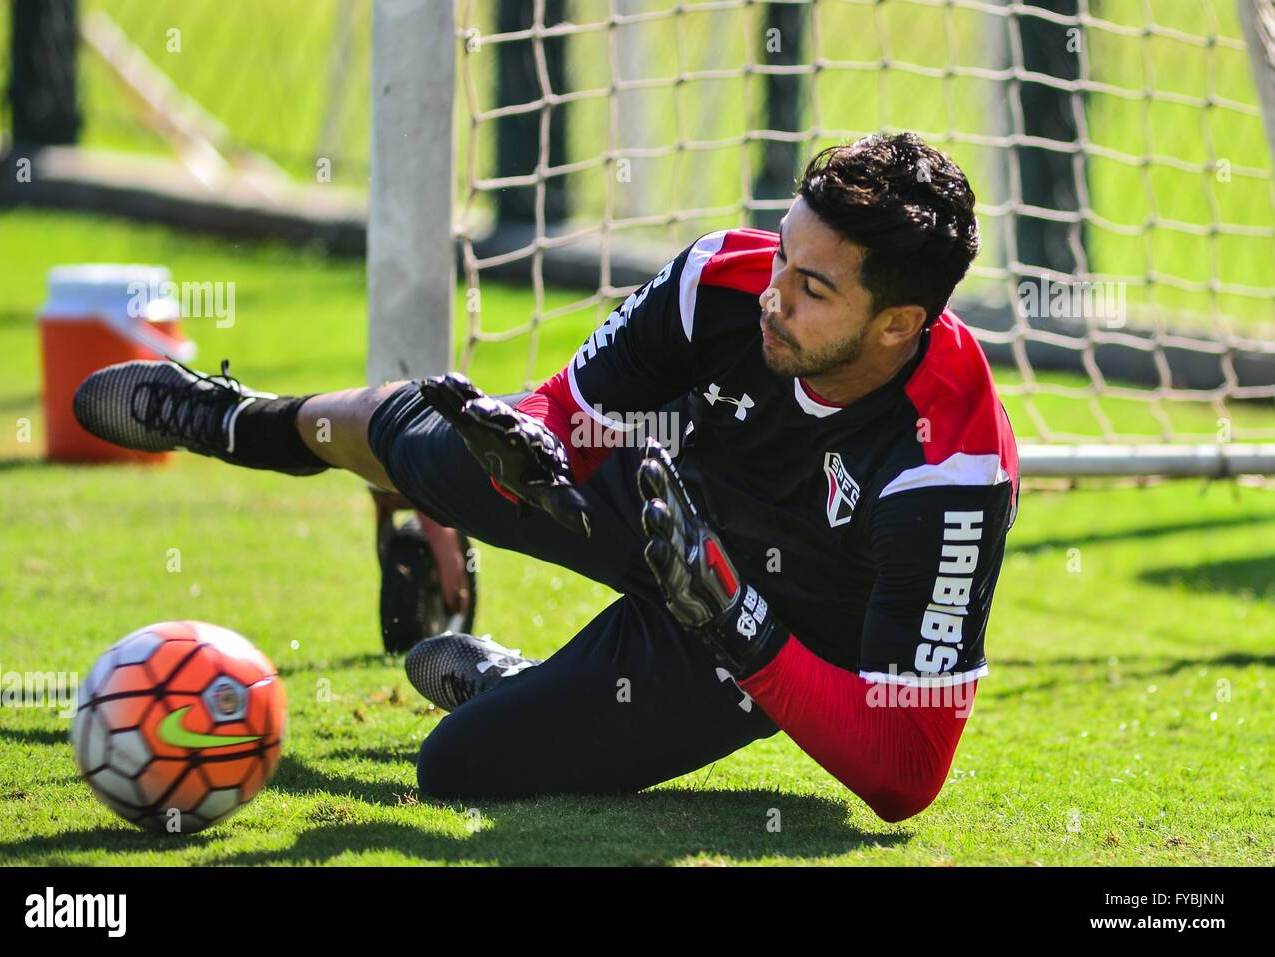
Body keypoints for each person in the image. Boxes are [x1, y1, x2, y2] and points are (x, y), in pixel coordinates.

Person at [73, 132, 1017, 822]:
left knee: (459, 768)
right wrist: (523, 447)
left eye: (814, 289)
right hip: (651, 496)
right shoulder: (717, 284)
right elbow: (567, 417)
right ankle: (239, 417)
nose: (774, 292)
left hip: (757, 639)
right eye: (783, 253)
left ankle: (516, 687)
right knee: (446, 450)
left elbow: (903, 774)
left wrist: (735, 615)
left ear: (898, 324)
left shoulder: (953, 468)